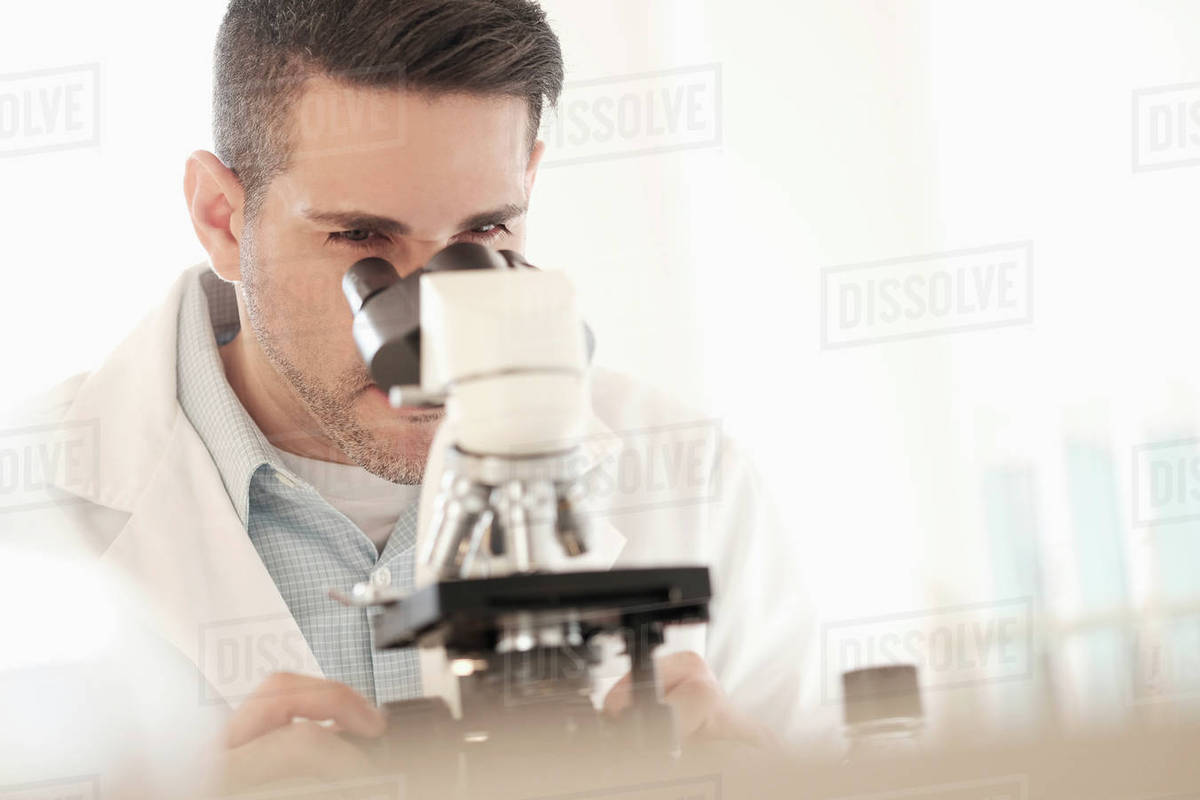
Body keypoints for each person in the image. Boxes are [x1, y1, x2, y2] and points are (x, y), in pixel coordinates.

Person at [9, 0, 812, 786]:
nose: (435, 318)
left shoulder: (695, 481)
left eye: (483, 234)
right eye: (361, 239)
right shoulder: (27, 518)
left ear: (528, 184)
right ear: (222, 218)